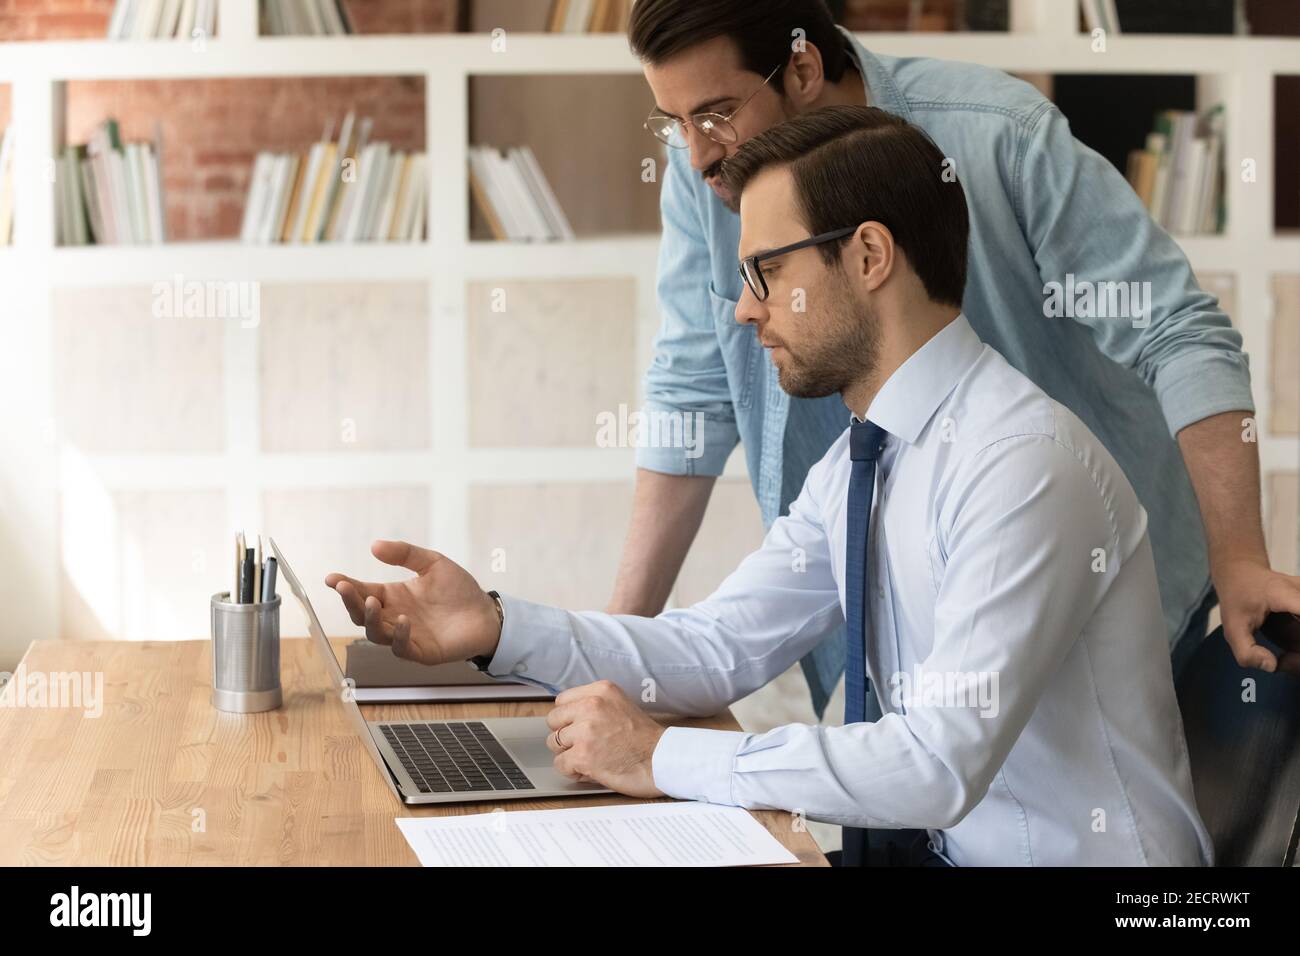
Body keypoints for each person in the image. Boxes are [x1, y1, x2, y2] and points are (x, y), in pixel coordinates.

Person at [326, 106, 1212, 867]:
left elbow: (935, 766)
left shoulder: (1019, 463)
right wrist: (498, 624)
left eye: (767, 272)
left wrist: (662, 755)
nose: (745, 309)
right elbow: (717, 649)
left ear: (868, 255)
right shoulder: (870, 454)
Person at [608, 0, 1299, 726]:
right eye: (673, 122)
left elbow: (1179, 331)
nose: (694, 154)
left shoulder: (997, 134)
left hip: (1096, 585)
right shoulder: (707, 178)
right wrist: (622, 653)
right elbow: (692, 391)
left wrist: (1242, 559)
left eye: (715, 114)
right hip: (898, 601)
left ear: (804, 67)